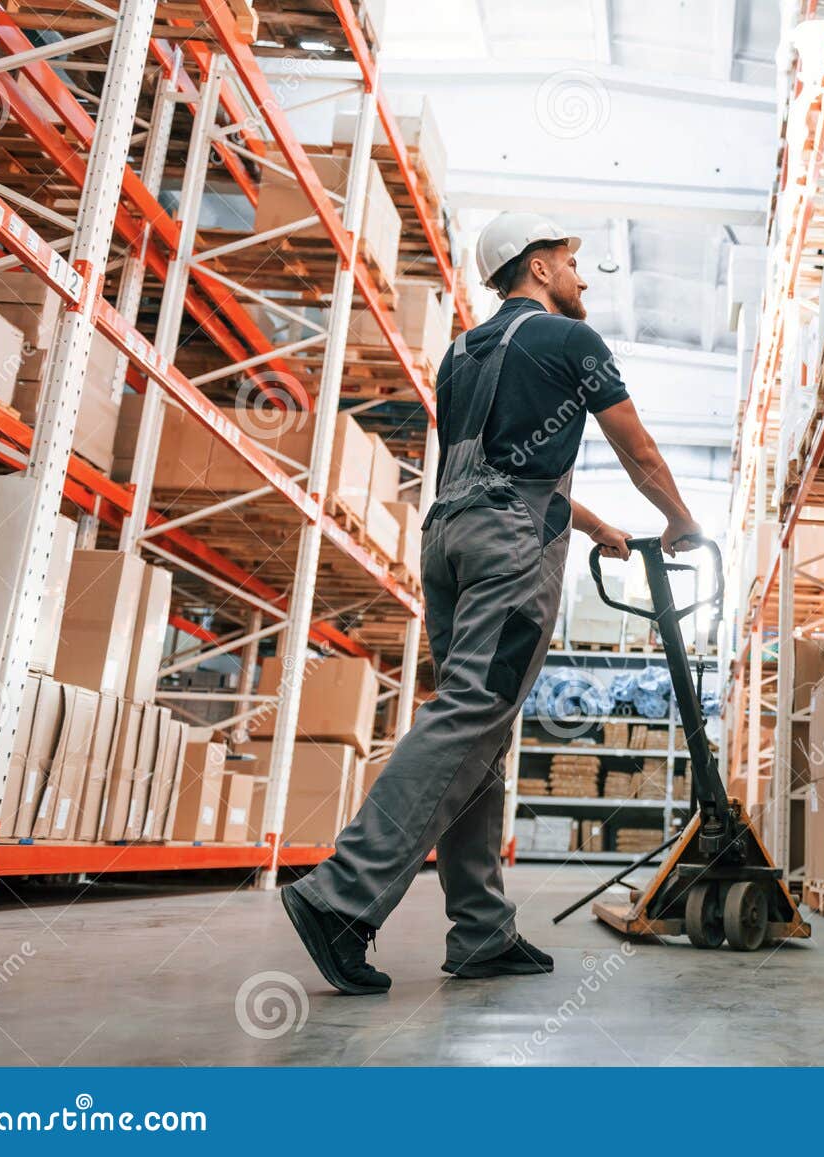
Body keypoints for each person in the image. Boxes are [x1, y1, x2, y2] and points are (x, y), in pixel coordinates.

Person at [282, 212, 703, 994]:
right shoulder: (571, 341)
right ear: (538, 267)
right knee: (472, 713)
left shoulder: (460, 353)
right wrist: (680, 519)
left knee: (477, 723)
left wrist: (596, 523)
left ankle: (479, 929)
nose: (581, 277)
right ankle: (340, 894)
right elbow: (636, 447)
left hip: (450, 539)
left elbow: (488, 468)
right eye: (571, 262)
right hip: (511, 547)